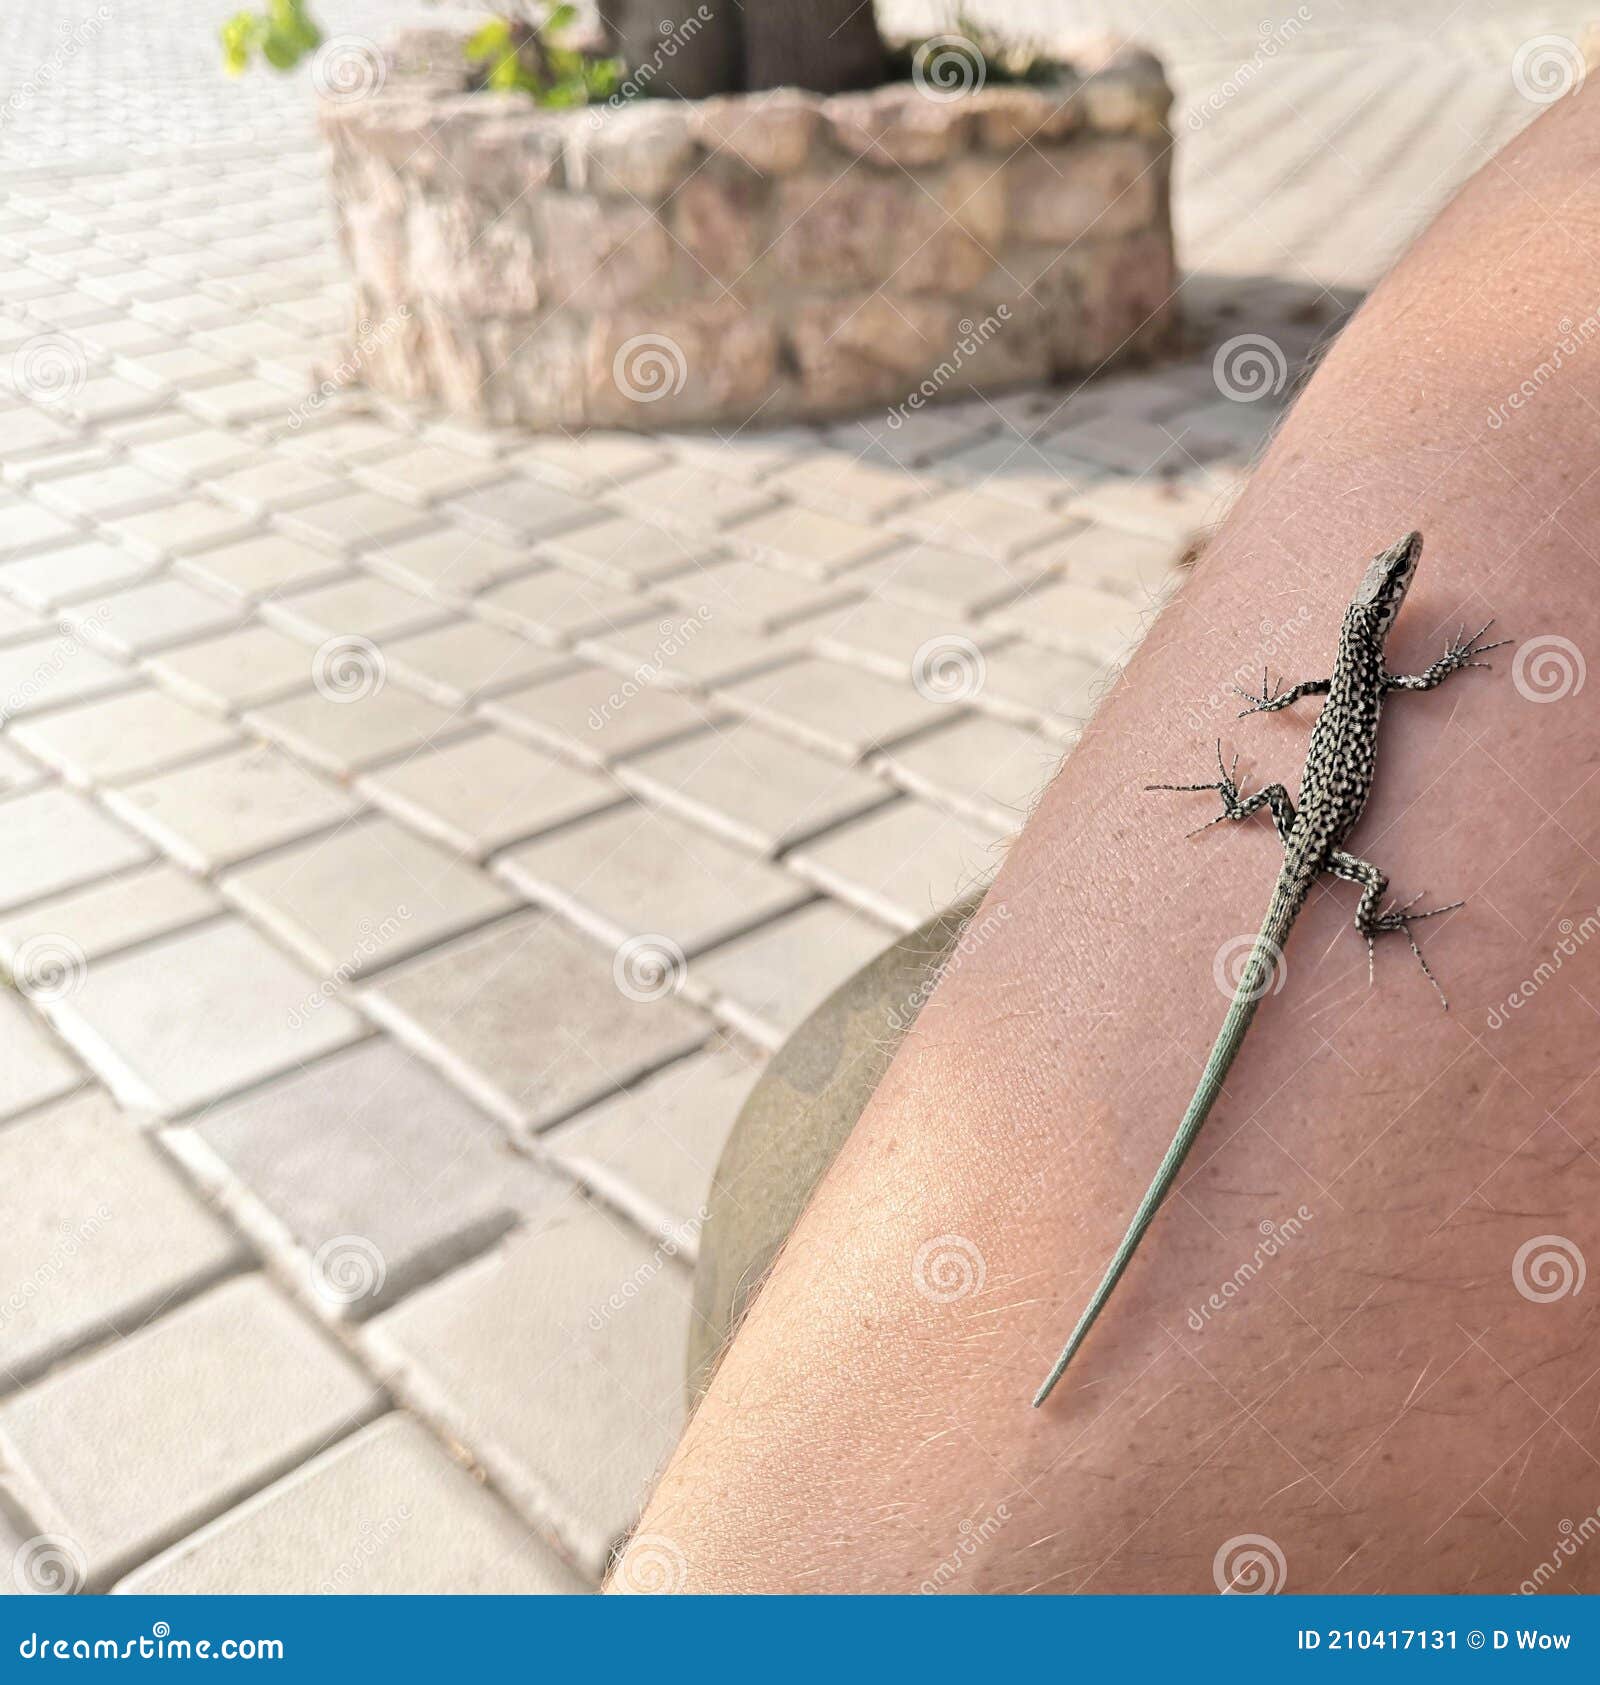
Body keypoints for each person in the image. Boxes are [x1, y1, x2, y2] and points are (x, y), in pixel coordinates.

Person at [615, 73, 1600, 1595]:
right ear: (1385, 618)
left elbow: (1328, 702)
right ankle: (1372, 930)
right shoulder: (1382, 673)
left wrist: (1267, 766)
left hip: (1307, 830)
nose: (1401, 595)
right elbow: (1386, 694)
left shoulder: (1355, 674)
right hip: (1319, 848)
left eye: (1398, 585)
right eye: (1397, 587)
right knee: (1338, 898)